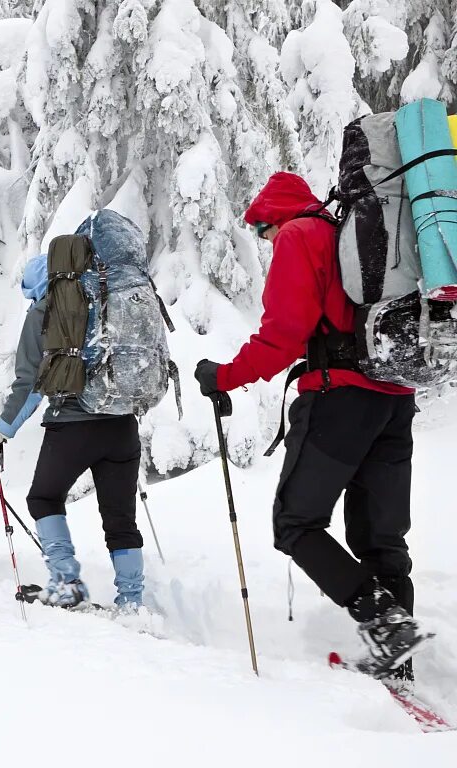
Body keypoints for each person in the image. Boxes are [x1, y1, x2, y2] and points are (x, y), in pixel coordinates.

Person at [193, 171, 430, 680]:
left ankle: (388, 628)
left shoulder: (301, 236)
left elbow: (284, 335)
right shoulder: (354, 234)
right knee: (380, 537)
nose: (263, 241)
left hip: (337, 399)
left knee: (295, 522)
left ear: (275, 216)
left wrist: (225, 376)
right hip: (394, 396)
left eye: (261, 230)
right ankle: (398, 660)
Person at [0, 240, 146, 612]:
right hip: (122, 426)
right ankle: (132, 601)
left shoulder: (45, 311)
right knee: (121, 519)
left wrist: (2, 430)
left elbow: (29, 385)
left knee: (43, 498)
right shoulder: (108, 301)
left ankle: (66, 582)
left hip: (73, 426)